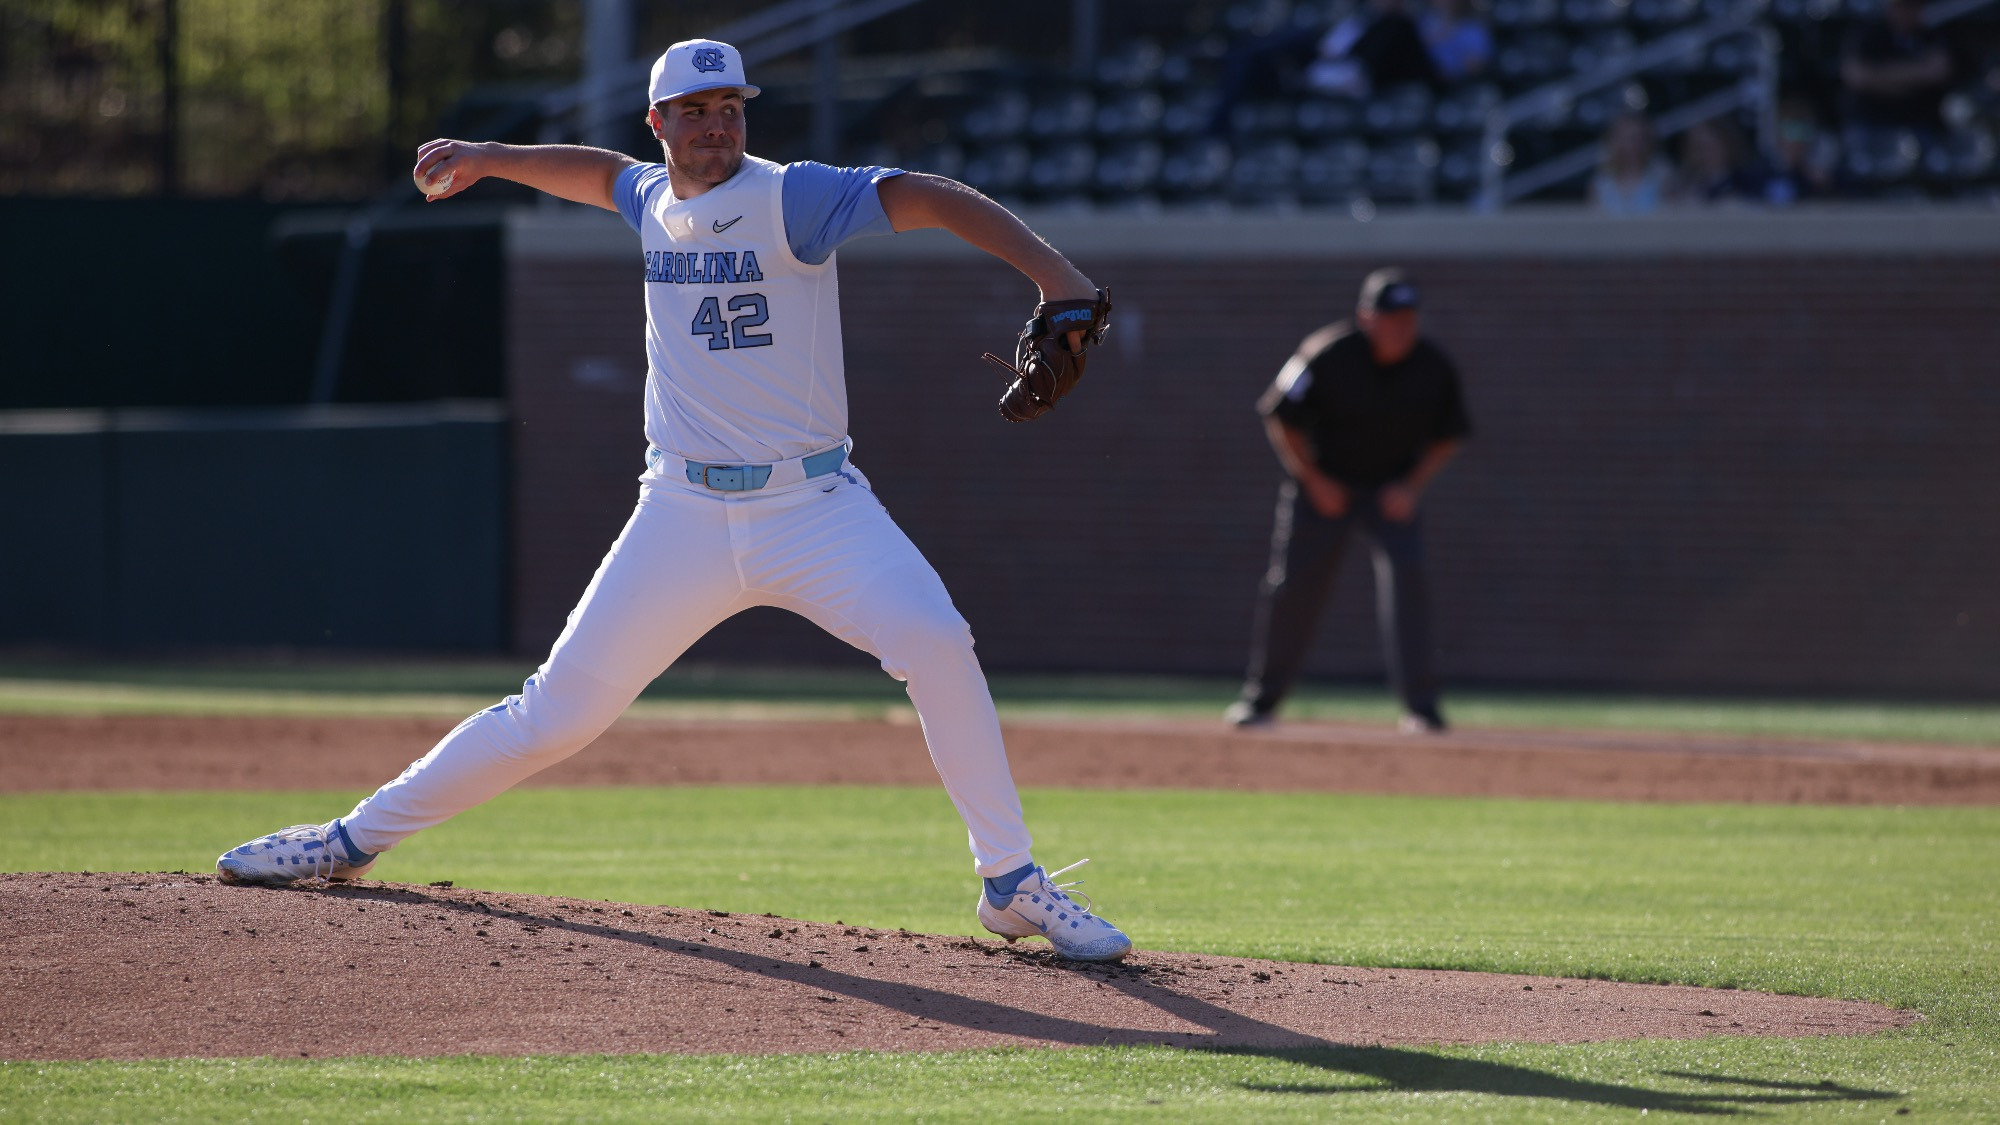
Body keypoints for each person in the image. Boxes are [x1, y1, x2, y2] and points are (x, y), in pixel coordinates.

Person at [214, 39, 1132, 963]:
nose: (716, 124)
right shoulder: (651, 196)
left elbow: (931, 195)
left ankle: (1010, 882)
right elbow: (601, 175)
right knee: (554, 714)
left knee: (937, 640)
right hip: (681, 513)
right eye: (693, 110)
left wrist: (1058, 281)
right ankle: (349, 841)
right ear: (658, 123)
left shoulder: (790, 197)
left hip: (814, 504)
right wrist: (489, 157)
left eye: (729, 106)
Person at [1225, 269, 1470, 734]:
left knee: (1409, 587)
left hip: (1389, 492)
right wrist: (1314, 481)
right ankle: (1261, 701)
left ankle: (1422, 707)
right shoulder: (1325, 353)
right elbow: (1279, 416)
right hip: (1325, 489)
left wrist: (1412, 487)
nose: (1401, 328)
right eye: (1390, 317)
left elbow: (1450, 435)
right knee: (1293, 588)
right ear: (1365, 317)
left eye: (1409, 318)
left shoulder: (1433, 365)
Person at [1841, 0, 1954, 136]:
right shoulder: (1869, 33)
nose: (1909, 12)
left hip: (1920, 124)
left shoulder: (1931, 35)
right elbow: (1858, 77)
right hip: (1872, 123)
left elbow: (1940, 72)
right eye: (1903, 6)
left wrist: (1882, 77)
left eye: (1914, 6)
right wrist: (1920, 73)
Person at [1589, 112, 1673, 215]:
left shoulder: (1663, 178)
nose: (1632, 145)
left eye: (1638, 139)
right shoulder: (1601, 183)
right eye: (1626, 139)